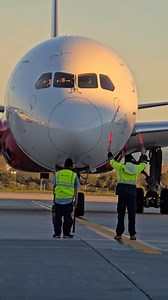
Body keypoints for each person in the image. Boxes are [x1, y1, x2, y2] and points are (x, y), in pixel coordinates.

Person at [108, 152, 147, 240]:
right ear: (132, 161)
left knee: (121, 214)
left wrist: (110, 154)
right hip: (132, 193)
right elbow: (144, 164)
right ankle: (132, 234)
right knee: (132, 214)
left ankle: (119, 234)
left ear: (125, 161)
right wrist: (143, 154)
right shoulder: (136, 168)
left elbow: (112, 162)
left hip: (122, 193)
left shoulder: (121, 167)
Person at [52, 158, 80, 238]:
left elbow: (54, 187)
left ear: (64, 165)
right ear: (72, 166)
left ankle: (57, 233)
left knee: (57, 217)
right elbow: (76, 190)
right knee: (68, 218)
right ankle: (66, 233)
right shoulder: (73, 175)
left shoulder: (58, 173)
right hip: (68, 200)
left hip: (58, 199)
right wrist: (76, 200)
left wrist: (54, 197)